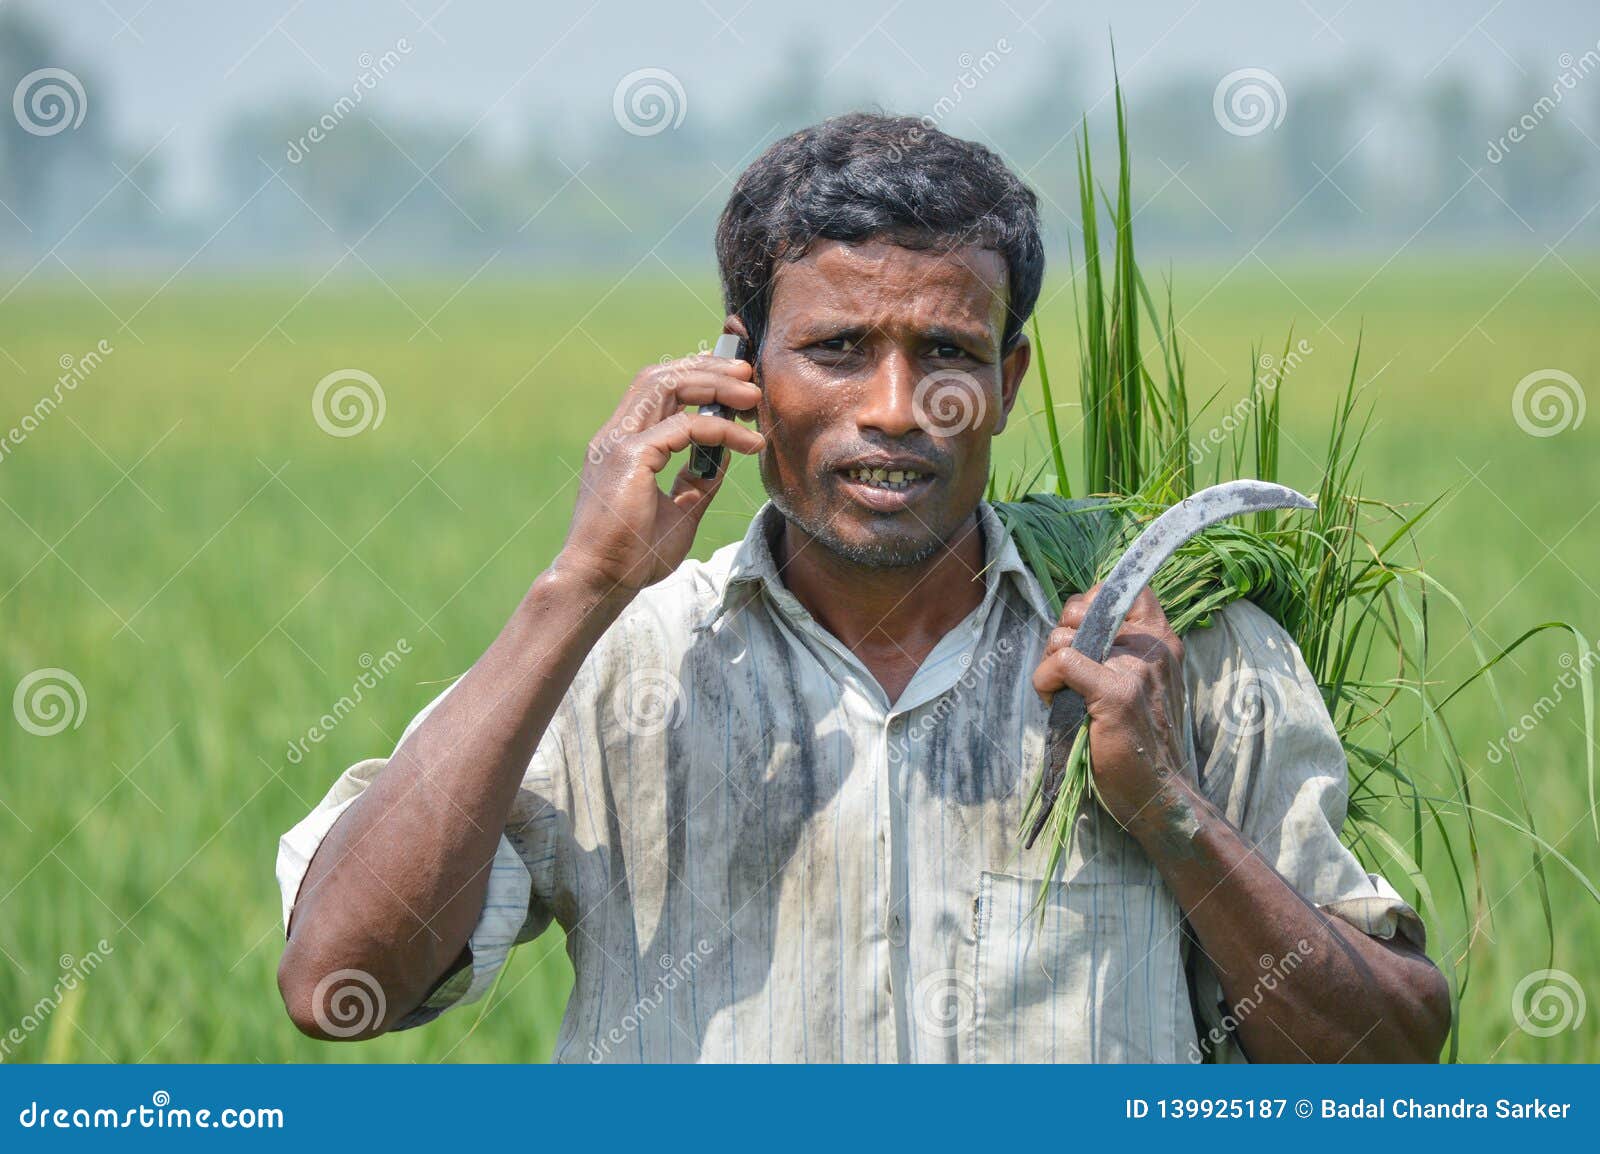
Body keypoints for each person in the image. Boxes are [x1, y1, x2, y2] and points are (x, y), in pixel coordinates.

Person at [275, 113, 1449, 1062]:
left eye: (946, 352)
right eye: (837, 349)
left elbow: (1389, 1062)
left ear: (1008, 380)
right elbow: (339, 982)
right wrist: (581, 584)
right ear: (739, 369)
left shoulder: (1167, 656)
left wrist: (1169, 807)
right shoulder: (619, 662)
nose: (895, 408)